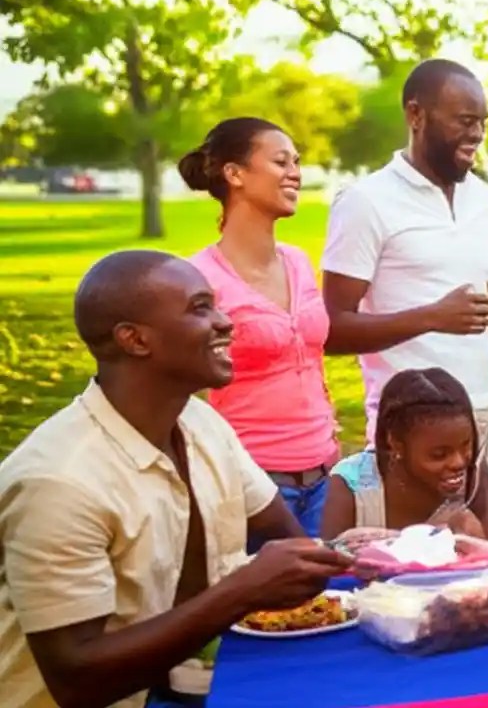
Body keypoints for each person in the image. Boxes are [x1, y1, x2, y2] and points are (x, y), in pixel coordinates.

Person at [0, 251, 352, 708]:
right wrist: (242, 592)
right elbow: (76, 680)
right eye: (200, 307)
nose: (226, 322)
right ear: (134, 339)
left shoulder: (200, 424)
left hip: (195, 685)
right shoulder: (58, 482)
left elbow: (284, 535)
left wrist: (362, 552)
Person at [321, 58, 488, 450]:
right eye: (464, 120)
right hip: (408, 423)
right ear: (415, 114)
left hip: (482, 417)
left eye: (483, 122)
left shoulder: (483, 199)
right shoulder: (365, 202)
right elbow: (331, 330)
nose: (477, 134)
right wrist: (432, 317)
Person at [178, 117, 339, 539]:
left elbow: (311, 358)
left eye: (297, 162)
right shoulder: (198, 277)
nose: (295, 173)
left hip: (325, 476)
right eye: (280, 162)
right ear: (235, 174)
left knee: (329, 603)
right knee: (261, 605)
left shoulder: (299, 261)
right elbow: (178, 390)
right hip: (253, 485)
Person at [320, 367, 488, 541]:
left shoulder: (474, 474)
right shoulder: (352, 485)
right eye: (439, 454)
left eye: (466, 446)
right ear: (396, 444)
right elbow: (331, 566)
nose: (458, 462)